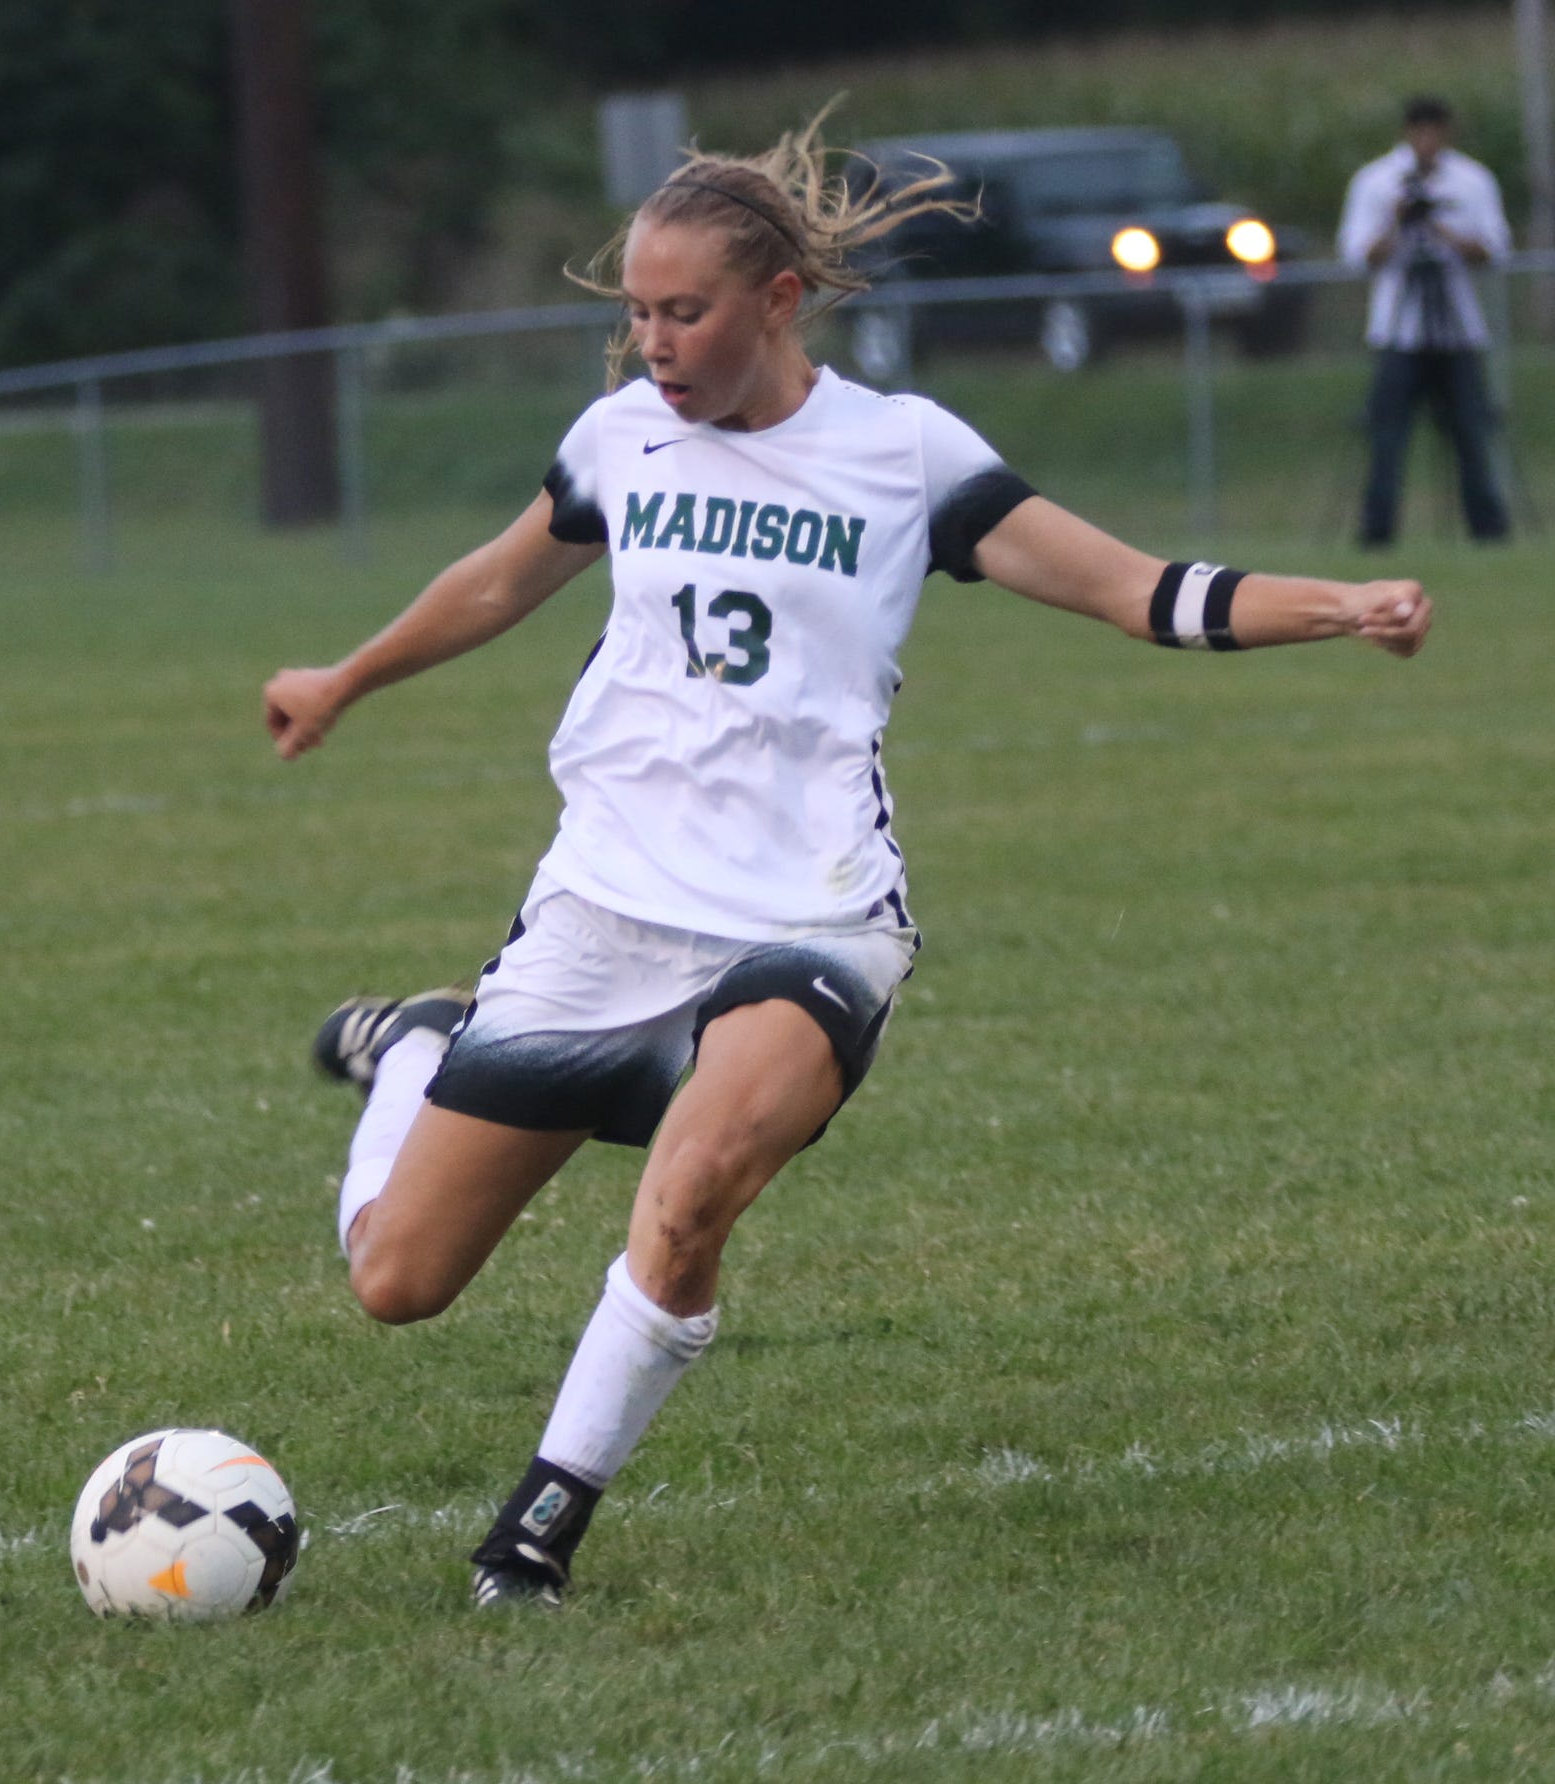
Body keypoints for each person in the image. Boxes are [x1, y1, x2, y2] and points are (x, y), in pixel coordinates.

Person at [264, 112, 1432, 1609]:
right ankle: (428, 1046)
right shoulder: (618, 440)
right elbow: (500, 579)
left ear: (777, 301)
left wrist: (1343, 604)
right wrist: (345, 677)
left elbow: (1139, 592)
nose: (651, 342)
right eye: (635, 309)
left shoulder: (904, 455)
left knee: (692, 1191)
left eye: (682, 310)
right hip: (604, 908)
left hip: (809, 915)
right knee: (398, 1283)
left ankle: (535, 1535)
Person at [1337, 94, 1512, 546]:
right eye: (1419, 129)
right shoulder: (1377, 182)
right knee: (1387, 436)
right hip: (1398, 331)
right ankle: (1376, 533)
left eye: (1435, 129)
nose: (1427, 140)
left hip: (1459, 331)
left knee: (1472, 432)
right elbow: (1358, 255)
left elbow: (1494, 250)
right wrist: (1397, 222)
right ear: (1407, 131)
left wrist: (1443, 230)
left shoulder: (1472, 181)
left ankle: (1489, 531)